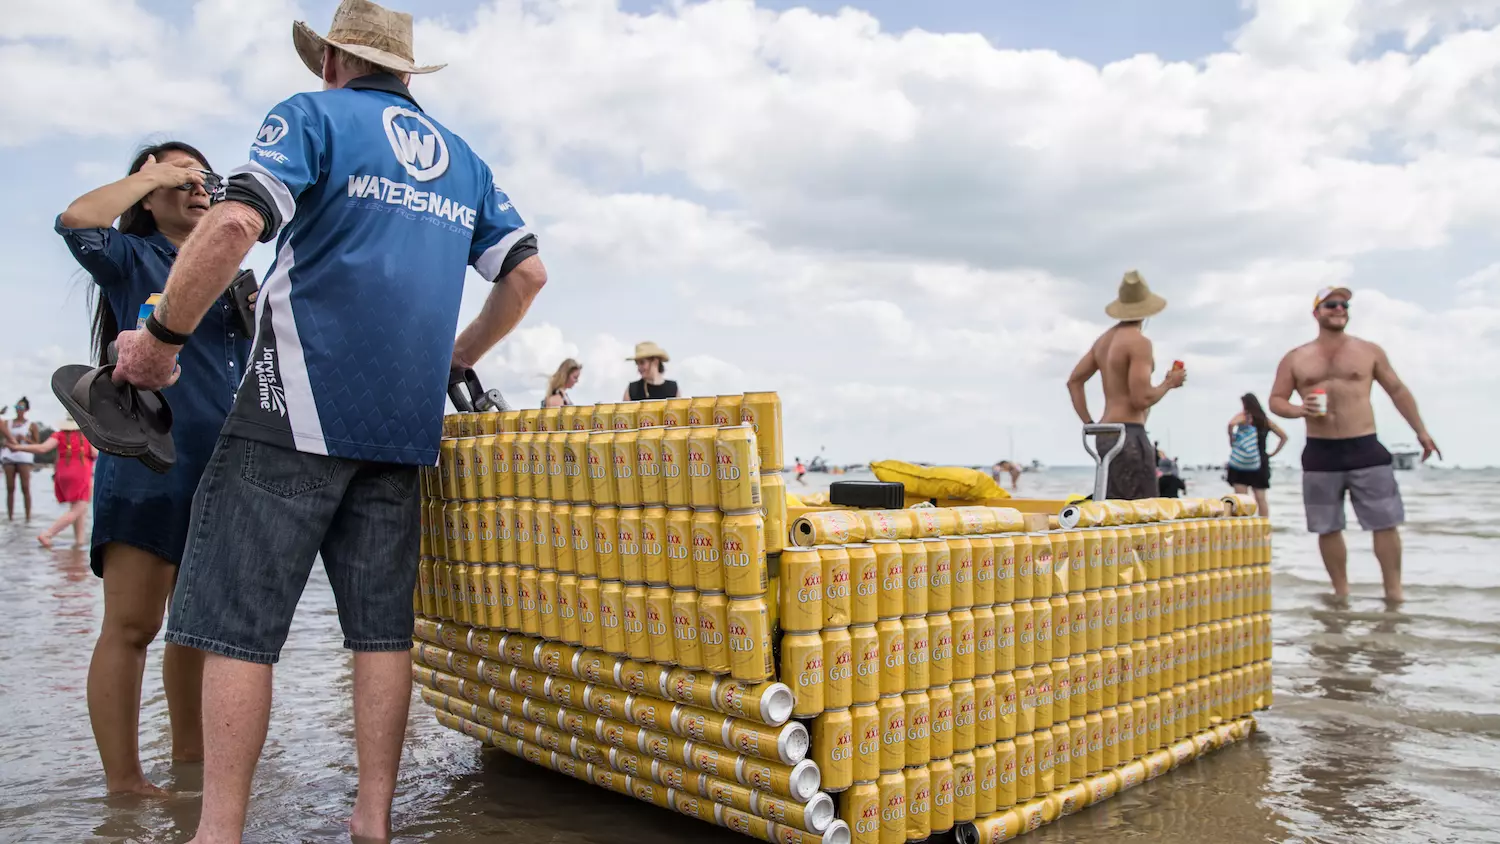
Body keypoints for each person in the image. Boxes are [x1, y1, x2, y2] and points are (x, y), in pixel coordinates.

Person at [111, 2, 547, 839]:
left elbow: (238, 220)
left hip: (289, 412)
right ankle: (372, 820)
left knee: (238, 628)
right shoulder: (465, 161)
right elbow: (526, 276)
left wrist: (163, 338)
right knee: (379, 630)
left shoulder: (309, 115)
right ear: (408, 77)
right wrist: (455, 358)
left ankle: (220, 830)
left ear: (331, 63)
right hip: (401, 429)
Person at [55, 140, 244, 795]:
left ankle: (190, 763)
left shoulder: (234, 269)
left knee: (196, 627)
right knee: (134, 626)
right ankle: (125, 782)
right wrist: (148, 176)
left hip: (224, 468)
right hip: (148, 462)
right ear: (147, 189)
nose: (197, 187)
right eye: (179, 177)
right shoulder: (132, 256)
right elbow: (77, 220)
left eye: (205, 178)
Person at [1270, 286, 1438, 604]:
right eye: (1331, 304)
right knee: (1327, 527)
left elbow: (1397, 391)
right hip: (1320, 450)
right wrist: (1298, 409)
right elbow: (1276, 400)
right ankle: (1341, 594)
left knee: (1385, 523)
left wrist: (1421, 432)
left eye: (1344, 304)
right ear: (1316, 312)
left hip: (1365, 447)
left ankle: (1394, 595)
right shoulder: (1296, 357)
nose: (1339, 308)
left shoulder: (1368, 351)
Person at [1066, 271, 1186, 500]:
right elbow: (1140, 399)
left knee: (1111, 510)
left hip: (1106, 433)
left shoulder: (1103, 341)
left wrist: (1090, 424)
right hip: (1130, 434)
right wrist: (1169, 383)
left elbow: (1074, 382)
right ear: (1147, 310)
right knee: (1142, 514)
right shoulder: (1139, 343)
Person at [12, 416, 96, 548]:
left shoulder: (60, 434)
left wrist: (18, 447)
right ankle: (48, 534)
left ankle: (79, 544)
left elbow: (43, 448)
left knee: (77, 511)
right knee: (79, 508)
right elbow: (95, 453)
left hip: (63, 473)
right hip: (81, 472)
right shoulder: (87, 435)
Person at [1226, 393, 1286, 517]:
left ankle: (1243, 528)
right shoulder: (1265, 421)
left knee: (1241, 499)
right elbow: (1283, 437)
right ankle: (1264, 528)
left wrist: (1231, 439)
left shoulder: (1244, 417)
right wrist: (1273, 453)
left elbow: (1231, 424)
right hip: (1261, 462)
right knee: (1261, 498)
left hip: (1241, 461)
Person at [2, 397, 41, 520]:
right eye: (17, 407)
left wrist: (24, 439)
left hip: (24, 457)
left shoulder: (31, 425)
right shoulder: (7, 423)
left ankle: (28, 517)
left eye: (21, 408)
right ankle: (10, 517)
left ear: (26, 410)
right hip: (8, 456)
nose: (19, 410)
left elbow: (37, 444)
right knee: (10, 488)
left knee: (25, 488)